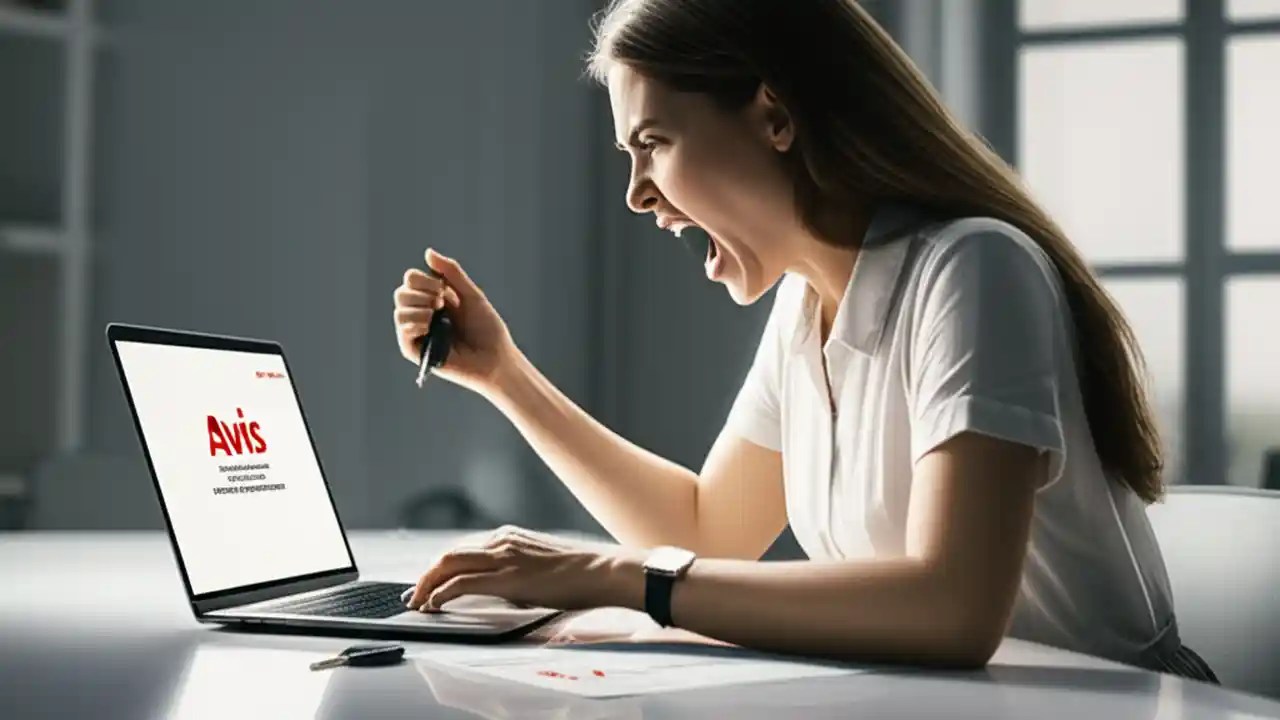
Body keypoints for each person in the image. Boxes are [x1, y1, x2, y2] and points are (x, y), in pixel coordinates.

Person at [390, 0, 1218, 681]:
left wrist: (616, 579)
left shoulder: (972, 270)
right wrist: (503, 374)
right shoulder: (805, 308)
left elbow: (953, 608)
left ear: (775, 116)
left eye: (653, 144)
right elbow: (707, 529)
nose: (638, 195)